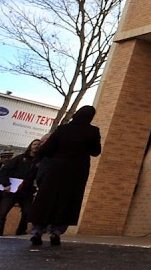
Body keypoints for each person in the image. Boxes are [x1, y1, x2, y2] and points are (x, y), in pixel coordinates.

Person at [27, 107, 102, 249]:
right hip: (77, 171)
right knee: (68, 201)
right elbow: (95, 151)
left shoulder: (63, 129)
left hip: (56, 169)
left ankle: (37, 230)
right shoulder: (93, 131)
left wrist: (41, 159)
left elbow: (47, 149)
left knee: (47, 198)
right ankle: (56, 231)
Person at [0, 140, 41, 236]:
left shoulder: (39, 162)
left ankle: (20, 232)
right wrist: (6, 184)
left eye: (39, 145)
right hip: (11, 189)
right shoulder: (20, 158)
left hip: (26, 191)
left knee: (27, 212)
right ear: (30, 146)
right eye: (35, 144)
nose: (36, 146)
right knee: (2, 213)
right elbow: (4, 171)